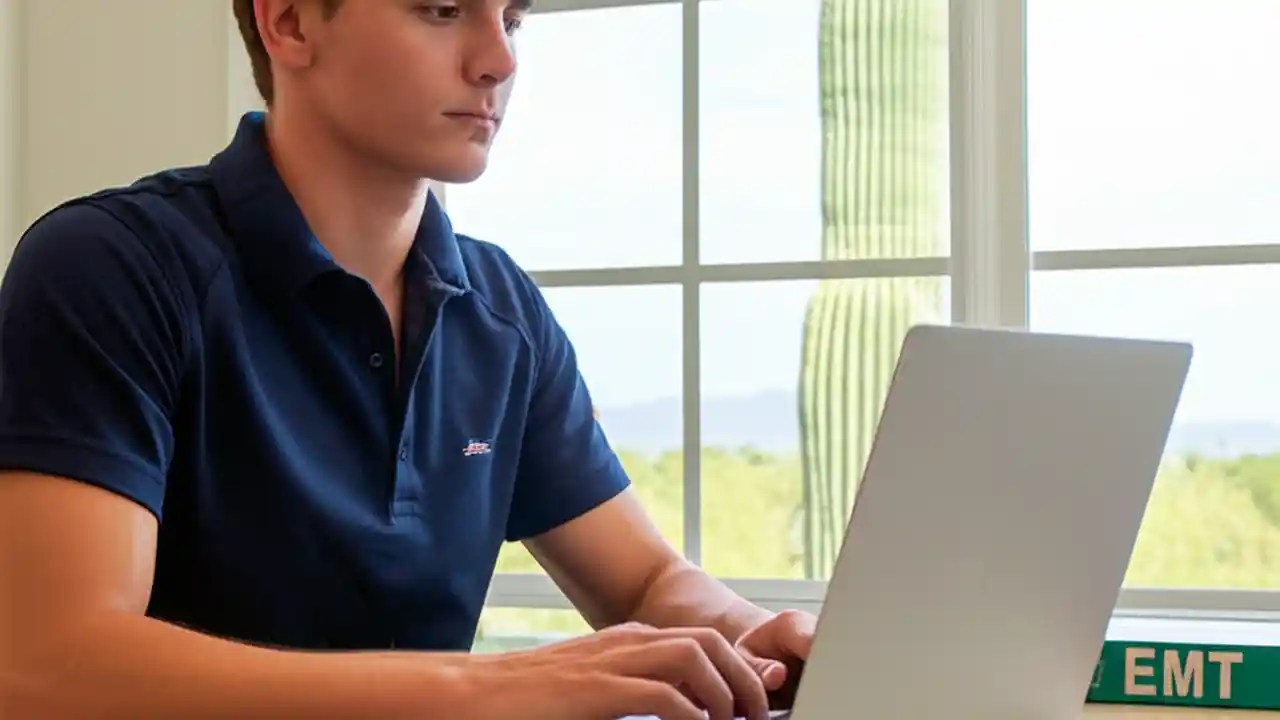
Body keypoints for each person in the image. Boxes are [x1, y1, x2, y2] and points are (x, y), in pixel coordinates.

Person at [0, 1, 818, 718]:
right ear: (286, 21)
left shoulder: (502, 312)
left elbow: (646, 586)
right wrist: (500, 689)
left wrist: (755, 640)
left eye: (513, 17)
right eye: (439, 9)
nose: (499, 59)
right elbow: (46, 668)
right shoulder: (108, 266)